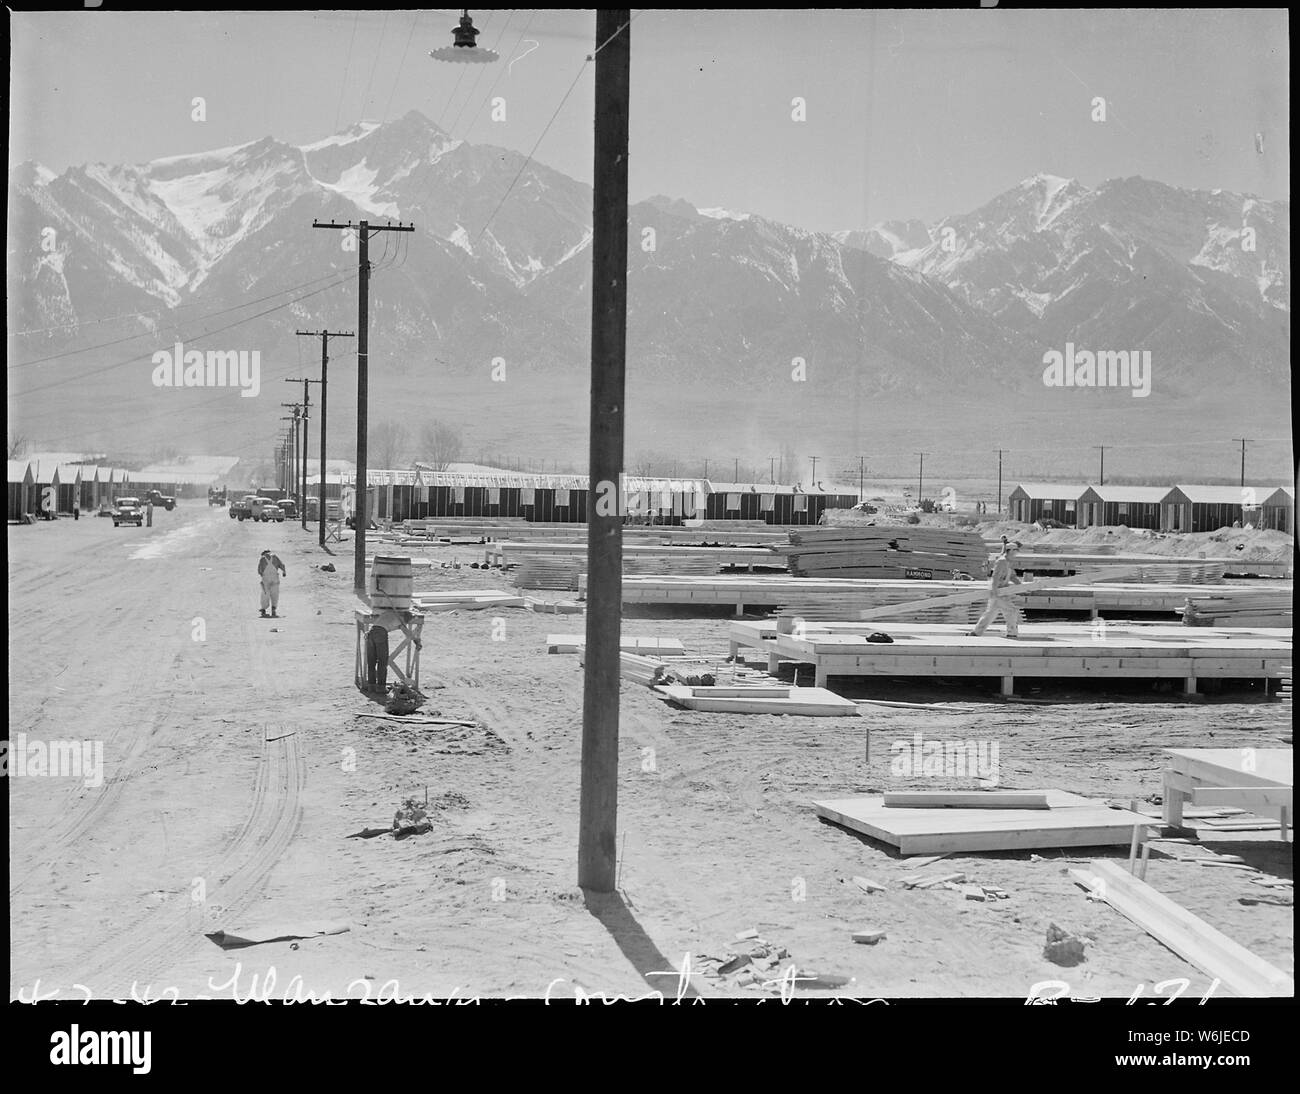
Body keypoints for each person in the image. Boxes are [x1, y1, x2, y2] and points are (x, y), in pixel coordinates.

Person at [970, 540, 1024, 638]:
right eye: (1016, 550)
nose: (1016, 553)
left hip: (1002, 591)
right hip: (998, 591)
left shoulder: (1008, 562)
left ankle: (976, 632)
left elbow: (1012, 576)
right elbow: (995, 577)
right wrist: (995, 592)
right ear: (1010, 551)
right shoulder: (1002, 561)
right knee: (1011, 611)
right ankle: (1012, 633)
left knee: (990, 613)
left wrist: (1022, 586)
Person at [258, 548, 287, 617]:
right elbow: (282, 565)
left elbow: (259, 570)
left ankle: (263, 610)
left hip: (266, 579)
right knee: (275, 594)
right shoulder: (275, 557)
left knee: (265, 594)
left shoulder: (262, 559)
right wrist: (284, 572)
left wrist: (262, 576)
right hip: (275, 578)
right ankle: (273, 609)